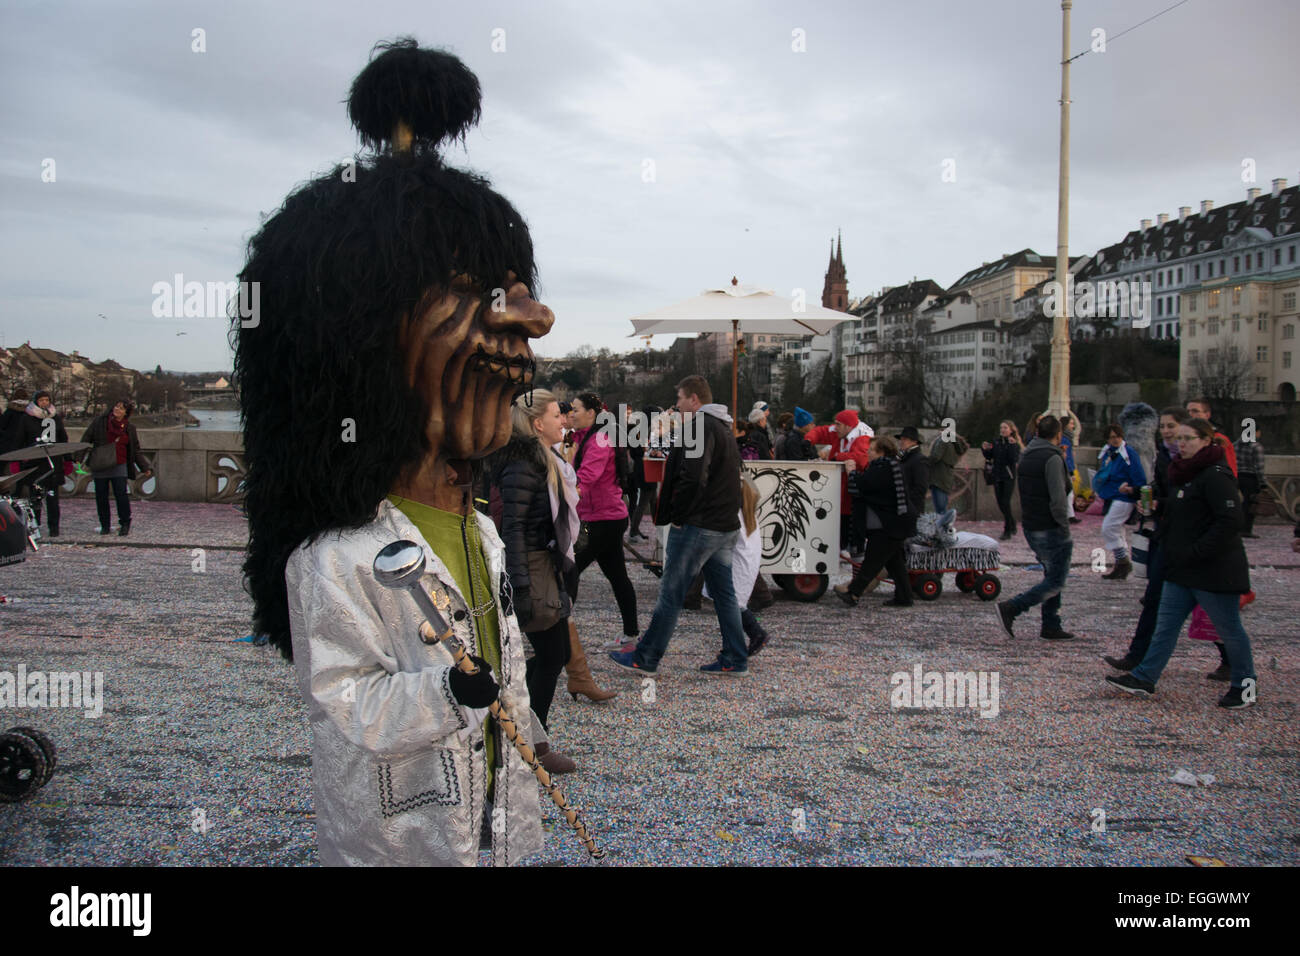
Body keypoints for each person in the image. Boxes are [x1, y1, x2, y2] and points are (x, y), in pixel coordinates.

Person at [234, 39, 551, 865]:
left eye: (515, 289)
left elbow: (500, 658)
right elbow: (344, 696)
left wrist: (523, 727)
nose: (532, 318)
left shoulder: (476, 527)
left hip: (496, 818)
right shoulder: (335, 558)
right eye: (477, 290)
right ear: (353, 341)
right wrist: (449, 691)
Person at [1105, 418, 1258, 709]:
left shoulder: (1215, 475)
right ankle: (1145, 677)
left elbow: (1230, 520)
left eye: (1189, 438)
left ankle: (1244, 685)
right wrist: (1159, 507)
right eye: (1181, 438)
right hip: (1183, 567)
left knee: (1229, 629)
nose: (1182, 443)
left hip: (1213, 569)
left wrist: (1198, 550)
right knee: (1165, 625)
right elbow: (1183, 510)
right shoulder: (1183, 473)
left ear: (1206, 441)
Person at [609, 375, 747, 675]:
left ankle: (646, 657)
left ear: (694, 399)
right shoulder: (722, 426)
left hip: (701, 524)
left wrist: (679, 515)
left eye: (681, 398)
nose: (677, 404)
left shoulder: (699, 426)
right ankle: (736, 656)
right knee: (724, 593)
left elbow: (695, 477)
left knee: (672, 592)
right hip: (724, 524)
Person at [488, 391, 586, 774]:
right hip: (531, 565)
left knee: (554, 654)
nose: (564, 420)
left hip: (544, 562)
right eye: (556, 414)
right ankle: (532, 744)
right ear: (535, 423)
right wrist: (521, 586)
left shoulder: (545, 460)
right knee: (551, 655)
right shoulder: (522, 464)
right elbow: (511, 528)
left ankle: (520, 729)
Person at [1103, 407, 1188, 670]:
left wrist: (1152, 498)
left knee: (1211, 610)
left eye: (1171, 426)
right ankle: (1139, 661)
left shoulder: (1197, 462)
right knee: (1154, 601)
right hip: (1166, 536)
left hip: (1189, 543)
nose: (1166, 431)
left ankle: (1234, 662)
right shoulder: (1163, 455)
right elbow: (1160, 488)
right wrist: (1146, 497)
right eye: (1162, 426)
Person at [994, 416, 1074, 640]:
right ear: (1058, 435)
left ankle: (1051, 624)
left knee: (1051, 573)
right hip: (1049, 525)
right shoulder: (1052, 458)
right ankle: (1013, 607)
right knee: (1057, 580)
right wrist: (1064, 526)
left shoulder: (1027, 454)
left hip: (1031, 523)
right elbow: (1058, 499)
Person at [570, 392, 638, 643]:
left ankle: (558, 634)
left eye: (576, 409)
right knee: (618, 576)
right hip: (606, 517)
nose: (571, 414)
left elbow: (586, 478)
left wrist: (564, 498)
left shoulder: (599, 440)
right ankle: (631, 636)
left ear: (591, 413)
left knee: (569, 570)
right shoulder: (587, 436)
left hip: (601, 519)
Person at [833, 436, 915, 607]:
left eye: (871, 450)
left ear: (881, 452)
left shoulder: (883, 467)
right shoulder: (891, 466)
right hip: (897, 523)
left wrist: (852, 472)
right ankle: (904, 596)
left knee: (872, 561)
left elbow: (863, 485)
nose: (868, 453)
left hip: (888, 525)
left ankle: (853, 593)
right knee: (895, 563)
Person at [702, 477, 769, 656]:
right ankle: (752, 636)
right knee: (733, 605)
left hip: (738, 565)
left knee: (730, 607)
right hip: (744, 563)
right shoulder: (747, 513)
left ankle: (745, 641)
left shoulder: (735, 515)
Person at [805, 409, 874, 556]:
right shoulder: (840, 430)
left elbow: (861, 459)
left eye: (838, 424)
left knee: (851, 519)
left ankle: (853, 549)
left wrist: (837, 456)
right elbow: (821, 431)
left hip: (855, 487)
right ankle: (842, 547)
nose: (835, 427)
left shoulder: (863, 437)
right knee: (840, 515)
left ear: (848, 426)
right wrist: (809, 440)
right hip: (841, 485)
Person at [83, 399, 153, 536]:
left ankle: (125, 523)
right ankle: (105, 525)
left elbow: (135, 450)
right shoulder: (99, 422)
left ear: (126, 412)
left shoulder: (129, 428)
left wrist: (144, 467)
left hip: (119, 464)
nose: (117, 410)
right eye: (116, 407)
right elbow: (86, 439)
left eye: (121, 408)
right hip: (101, 464)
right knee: (101, 496)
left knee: (121, 495)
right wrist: (78, 458)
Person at [1092, 423, 1147, 580]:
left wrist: (1133, 490)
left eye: (1116, 436)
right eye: (1111, 437)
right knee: (1116, 529)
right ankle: (1121, 563)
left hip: (1123, 497)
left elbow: (1139, 476)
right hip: (1114, 495)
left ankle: (1123, 561)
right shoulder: (1110, 452)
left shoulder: (1127, 453)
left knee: (1109, 527)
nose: (1114, 440)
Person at [12, 390, 69, 537]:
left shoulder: (55, 418)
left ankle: (54, 528)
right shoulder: (27, 418)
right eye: (42, 400)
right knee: (35, 498)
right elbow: (19, 440)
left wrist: (68, 459)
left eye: (47, 400)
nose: (44, 403)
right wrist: (17, 459)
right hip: (35, 463)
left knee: (52, 498)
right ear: (36, 401)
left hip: (52, 463)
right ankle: (35, 528)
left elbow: (63, 439)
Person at [627, 404, 663, 540]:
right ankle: (634, 531)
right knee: (644, 501)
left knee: (652, 499)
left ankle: (656, 526)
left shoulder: (639, 428)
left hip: (642, 466)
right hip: (645, 467)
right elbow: (642, 449)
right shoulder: (643, 431)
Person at [982, 420, 1022, 540]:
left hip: (1008, 476)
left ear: (1011, 430)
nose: (1003, 430)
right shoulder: (997, 442)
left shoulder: (1013, 443)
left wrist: (1012, 445)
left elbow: (1013, 459)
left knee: (1005, 502)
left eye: (1005, 428)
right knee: (1000, 502)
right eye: (1002, 428)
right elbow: (990, 456)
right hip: (997, 475)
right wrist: (985, 449)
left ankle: (1007, 528)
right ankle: (1012, 523)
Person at [1186, 398, 1237, 476]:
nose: (1190, 414)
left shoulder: (1219, 439)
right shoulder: (1181, 438)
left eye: (1195, 411)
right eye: (1187, 411)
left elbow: (1230, 469)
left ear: (1207, 415)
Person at [926, 429, 963, 515]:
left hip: (938, 476)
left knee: (940, 508)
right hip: (947, 475)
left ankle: (943, 526)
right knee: (943, 505)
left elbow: (935, 456)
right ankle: (945, 525)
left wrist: (925, 461)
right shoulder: (954, 443)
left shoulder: (942, 441)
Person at [1236, 425, 1263, 538]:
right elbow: (1259, 467)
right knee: (1250, 504)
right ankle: (1246, 529)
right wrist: (1263, 483)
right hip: (1251, 478)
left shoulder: (1235, 445)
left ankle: (1238, 527)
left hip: (1237, 476)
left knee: (1240, 503)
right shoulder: (1256, 447)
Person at [895, 426, 928, 517]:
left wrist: (906, 501)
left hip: (911, 508)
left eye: (905, 439)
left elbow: (920, 488)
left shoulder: (919, 459)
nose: (901, 441)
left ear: (914, 441)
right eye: (901, 439)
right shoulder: (903, 457)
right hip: (903, 506)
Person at [1060, 414, 1081, 523]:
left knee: (1068, 493)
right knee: (1068, 493)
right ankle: (1069, 515)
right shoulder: (1065, 439)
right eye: (1071, 423)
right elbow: (1067, 458)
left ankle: (1069, 514)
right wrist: (1071, 471)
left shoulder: (1065, 438)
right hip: (1066, 469)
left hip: (1065, 468)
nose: (1073, 426)